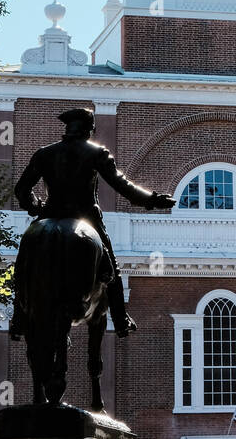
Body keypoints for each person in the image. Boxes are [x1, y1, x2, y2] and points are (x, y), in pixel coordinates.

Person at [10, 107, 174, 338]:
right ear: (89, 130)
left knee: (23, 264)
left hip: (50, 215)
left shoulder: (44, 153)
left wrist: (36, 206)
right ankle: (120, 320)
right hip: (86, 217)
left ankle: (18, 318)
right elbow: (122, 185)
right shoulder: (96, 152)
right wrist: (153, 200)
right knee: (112, 270)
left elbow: (21, 189)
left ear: (67, 128)